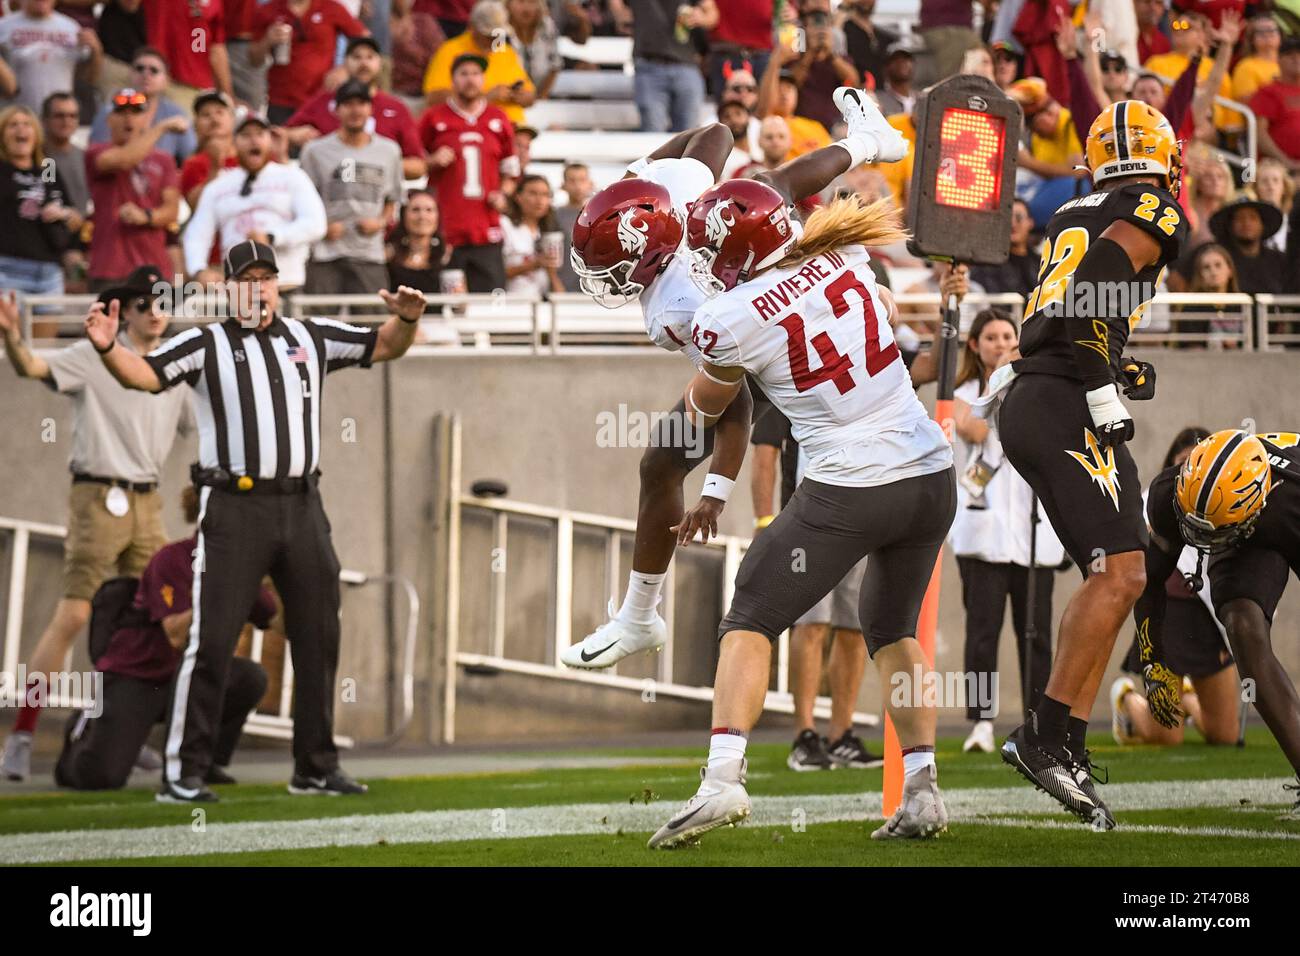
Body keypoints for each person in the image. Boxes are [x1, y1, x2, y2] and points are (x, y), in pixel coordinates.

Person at [649, 110, 954, 847]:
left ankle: (722, 779)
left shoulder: (729, 315)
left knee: (749, 615)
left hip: (852, 484)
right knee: (891, 630)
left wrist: (677, 331)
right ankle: (923, 788)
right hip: (929, 474)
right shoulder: (848, 257)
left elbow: (706, 408)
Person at [564, 98, 909, 671]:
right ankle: (869, 142)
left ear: (649, 258)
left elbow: (736, 398)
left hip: (785, 332)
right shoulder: (667, 193)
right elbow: (717, 132)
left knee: (658, 464)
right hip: (792, 263)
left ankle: (638, 617)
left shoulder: (679, 308)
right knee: (766, 183)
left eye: (614, 270)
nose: (605, 283)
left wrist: (718, 493)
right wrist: (637, 177)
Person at [83, 239, 426, 802]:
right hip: (234, 505)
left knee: (318, 634)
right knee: (212, 638)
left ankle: (315, 765)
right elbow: (143, 376)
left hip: (303, 502)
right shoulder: (206, 341)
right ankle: (183, 771)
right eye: (247, 279)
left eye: (266, 278)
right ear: (228, 286)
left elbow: (385, 345)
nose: (258, 288)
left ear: (278, 284)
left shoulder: (308, 337)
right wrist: (105, 349)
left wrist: (407, 320)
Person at [994, 99, 1188, 828]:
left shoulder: (1073, 208)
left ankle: (1065, 742)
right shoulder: (1155, 206)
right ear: (1161, 159)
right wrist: (1104, 384)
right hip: (1064, 397)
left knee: (1122, 573)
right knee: (1119, 573)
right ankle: (1041, 735)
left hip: (1047, 393)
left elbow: (1080, 307)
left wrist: (1114, 366)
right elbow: (1089, 297)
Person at [0, 269, 191, 782]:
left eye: (162, 302)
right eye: (144, 303)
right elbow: (32, 368)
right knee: (73, 617)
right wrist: (12, 337)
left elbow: (206, 421)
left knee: (156, 624)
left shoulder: (177, 361)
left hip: (149, 504)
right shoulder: (93, 352)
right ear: (123, 311)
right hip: (96, 496)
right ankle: (21, 733)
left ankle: (121, 733)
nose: (155, 311)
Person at [54, 486, 272, 791]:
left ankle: (202, 762)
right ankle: (83, 730)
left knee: (250, 678)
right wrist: (218, 590)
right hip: (138, 677)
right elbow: (175, 634)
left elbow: (269, 615)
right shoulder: (172, 559)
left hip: (185, 678)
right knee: (99, 778)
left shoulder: (235, 566)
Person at [1135, 428, 1300, 812]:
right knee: (1243, 627)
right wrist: (1152, 659)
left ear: (1256, 504)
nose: (1199, 538)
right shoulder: (1171, 492)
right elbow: (1149, 582)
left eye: (1213, 528)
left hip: (1283, 512)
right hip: (1243, 525)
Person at [950, 309, 1064, 754]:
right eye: (991, 337)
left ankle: (1039, 722)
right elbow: (975, 427)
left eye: (1007, 337)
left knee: (1035, 633)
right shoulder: (959, 393)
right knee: (983, 632)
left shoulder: (1035, 392)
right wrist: (1001, 378)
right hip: (983, 535)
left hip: (1033, 534)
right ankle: (981, 723)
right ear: (975, 345)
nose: (1000, 343)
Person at [1110, 426, 1241, 748]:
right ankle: (1126, 699)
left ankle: (1188, 700)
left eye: (1200, 462)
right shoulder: (1154, 501)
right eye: (1184, 462)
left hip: (1207, 617)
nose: (1192, 470)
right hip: (1168, 615)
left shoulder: (1226, 504)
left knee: (1224, 735)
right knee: (1167, 737)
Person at [182, 112, 327, 292]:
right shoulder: (219, 186)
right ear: (234, 142)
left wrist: (272, 236)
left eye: (260, 134)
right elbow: (197, 233)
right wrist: (198, 269)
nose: (254, 141)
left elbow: (316, 224)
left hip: (285, 283)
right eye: (245, 135)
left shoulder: (292, 176)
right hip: (238, 290)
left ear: (269, 140)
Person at [419, 53, 518, 293]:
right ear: (452, 80)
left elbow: (511, 170)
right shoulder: (434, 117)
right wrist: (432, 160)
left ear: (483, 79)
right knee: (448, 305)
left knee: (491, 304)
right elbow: (411, 161)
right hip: (445, 231)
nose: (470, 80)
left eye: (475, 74)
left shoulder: (499, 118)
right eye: (463, 74)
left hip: (487, 231)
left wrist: (502, 194)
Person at [300, 79, 403, 294]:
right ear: (336, 110)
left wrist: (380, 223)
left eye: (361, 103)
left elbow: (392, 199)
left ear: (370, 109)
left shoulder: (389, 151)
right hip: (326, 254)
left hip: (369, 253)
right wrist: (321, 228)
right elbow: (303, 201)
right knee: (320, 323)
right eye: (348, 104)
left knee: (371, 323)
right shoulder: (315, 151)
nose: (355, 110)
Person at [284, 35, 428, 180]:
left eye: (370, 57)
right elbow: (282, 134)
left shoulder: (396, 108)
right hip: (328, 189)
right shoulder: (323, 101)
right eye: (357, 57)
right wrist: (296, 135)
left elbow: (418, 166)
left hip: (376, 193)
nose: (363, 63)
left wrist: (372, 165)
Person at [86, 89, 183, 293]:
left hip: (154, 267)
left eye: (136, 112)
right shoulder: (96, 151)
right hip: (110, 268)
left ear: (145, 117)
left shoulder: (163, 159)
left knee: (152, 323)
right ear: (109, 119)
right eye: (121, 112)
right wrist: (160, 128)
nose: (128, 119)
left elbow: (171, 211)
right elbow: (124, 160)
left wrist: (145, 216)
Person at [0, 105, 81, 299]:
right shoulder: (1, 169)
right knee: (11, 329)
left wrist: (63, 213)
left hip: (48, 270)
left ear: (36, 133)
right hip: (7, 266)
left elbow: (75, 217)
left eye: (27, 124)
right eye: (13, 125)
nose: (21, 130)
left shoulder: (48, 167)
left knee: (48, 328)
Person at [250, 0, 368, 125]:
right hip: (281, 100)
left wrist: (345, 69)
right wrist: (267, 40)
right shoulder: (268, 10)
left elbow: (364, 39)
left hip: (321, 97)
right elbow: (254, 59)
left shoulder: (330, 7)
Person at [422, 1, 536, 126]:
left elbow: (530, 95)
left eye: (498, 34)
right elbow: (433, 98)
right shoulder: (451, 50)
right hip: (471, 127)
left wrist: (522, 96)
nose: (495, 39)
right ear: (472, 27)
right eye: (489, 35)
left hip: (512, 127)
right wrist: (485, 97)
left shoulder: (505, 51)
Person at [88, 47, 197, 166]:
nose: (146, 74)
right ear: (130, 74)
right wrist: (162, 128)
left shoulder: (175, 113)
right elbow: (96, 158)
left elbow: (191, 158)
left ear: (167, 80)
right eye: (139, 69)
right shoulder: (111, 109)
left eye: (154, 70)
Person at [626, 0, 715, 133]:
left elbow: (712, 14)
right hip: (649, 64)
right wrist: (624, 18)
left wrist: (701, 18)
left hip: (686, 65)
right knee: (652, 132)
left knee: (688, 135)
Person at [0, 0, 100, 115]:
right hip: (18, 117)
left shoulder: (71, 27)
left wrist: (96, 51)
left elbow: (88, 79)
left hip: (59, 117)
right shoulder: (3, 27)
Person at [141, 0, 234, 106]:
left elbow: (216, 49)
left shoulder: (214, 3)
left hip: (194, 87)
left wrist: (228, 97)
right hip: (149, 79)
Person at [1208, 196, 1287, 295]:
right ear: (1230, 226)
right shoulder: (1219, 260)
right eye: (1239, 218)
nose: (1246, 223)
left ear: (1262, 224)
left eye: (1253, 218)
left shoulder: (1280, 261)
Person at [1248, 36, 1300, 172]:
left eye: (1299, 54)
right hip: (1281, 169)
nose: (1296, 59)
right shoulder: (1268, 92)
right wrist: (1286, 162)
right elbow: (1259, 134)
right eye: (1290, 55)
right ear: (1279, 60)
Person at [971, 198, 1038, 297]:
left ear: (1030, 223)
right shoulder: (986, 264)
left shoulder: (1042, 263)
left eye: (1018, 217)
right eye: (1007, 218)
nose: (1013, 224)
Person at [386, 189, 445, 293]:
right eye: (415, 210)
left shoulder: (447, 256)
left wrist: (460, 302)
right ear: (403, 215)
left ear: (438, 216)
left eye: (429, 210)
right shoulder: (388, 255)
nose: (422, 216)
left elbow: (459, 307)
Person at [40, 93, 88, 215]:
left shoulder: (85, 156)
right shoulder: (37, 156)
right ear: (44, 120)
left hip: (82, 229)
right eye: (59, 116)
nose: (66, 121)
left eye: (73, 116)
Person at [507, 0, 562, 99]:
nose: (526, 8)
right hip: (508, 99)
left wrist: (540, 98)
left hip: (542, 98)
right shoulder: (498, 30)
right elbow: (496, 67)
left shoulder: (547, 26)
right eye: (520, 1)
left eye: (532, 2)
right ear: (508, 4)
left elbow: (555, 66)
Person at [552, 161, 592, 292]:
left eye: (582, 180)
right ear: (563, 185)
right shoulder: (555, 215)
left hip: (594, 285)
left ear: (590, 184)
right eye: (572, 180)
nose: (578, 186)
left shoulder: (599, 214)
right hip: (564, 285)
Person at [1232, 15, 1281, 103]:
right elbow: (1245, 102)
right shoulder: (1246, 66)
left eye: (1271, 30)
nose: (1267, 34)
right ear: (1252, 39)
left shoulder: (1291, 63)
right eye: (1260, 32)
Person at [876, 41, 917, 118]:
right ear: (885, 68)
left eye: (906, 59)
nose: (901, 63)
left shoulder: (922, 100)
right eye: (895, 59)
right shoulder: (878, 100)